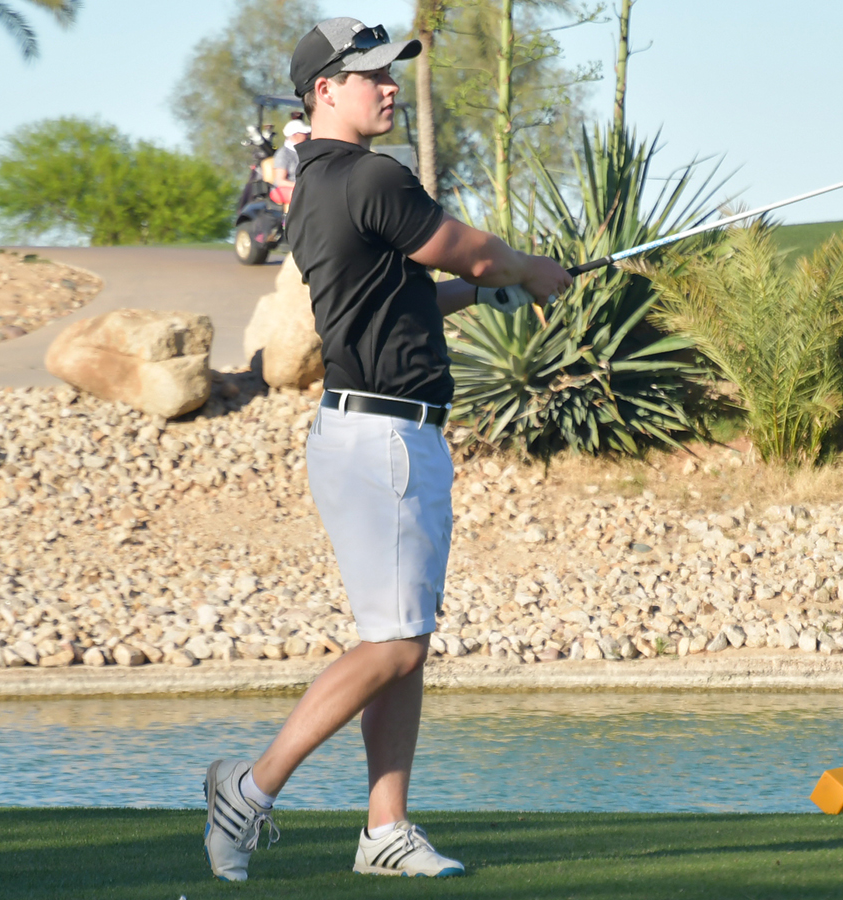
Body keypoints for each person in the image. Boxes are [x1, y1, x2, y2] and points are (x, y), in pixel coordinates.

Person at [202, 16, 572, 883]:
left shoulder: (318, 184)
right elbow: (468, 251)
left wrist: (482, 299)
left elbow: (396, 303)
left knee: (404, 638)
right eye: (371, 73)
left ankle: (385, 830)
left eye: (391, 71)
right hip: (383, 439)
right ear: (324, 89)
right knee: (396, 648)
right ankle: (247, 790)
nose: (390, 85)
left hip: (380, 431)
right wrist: (525, 270)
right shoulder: (373, 175)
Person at [269, 119, 310, 205]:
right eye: (304, 133)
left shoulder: (307, 151)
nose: (307, 135)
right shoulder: (283, 154)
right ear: (295, 135)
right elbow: (280, 181)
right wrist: (302, 185)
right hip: (287, 189)